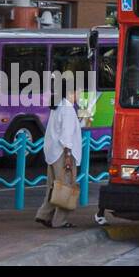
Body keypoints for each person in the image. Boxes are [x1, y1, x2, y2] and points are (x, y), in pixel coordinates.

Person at [35, 85, 83, 229]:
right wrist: (68, 157)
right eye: (79, 91)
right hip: (63, 154)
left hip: (52, 153)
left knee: (54, 186)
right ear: (71, 92)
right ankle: (59, 221)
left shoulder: (58, 106)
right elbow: (66, 136)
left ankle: (44, 214)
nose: (80, 95)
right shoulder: (68, 109)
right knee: (66, 188)